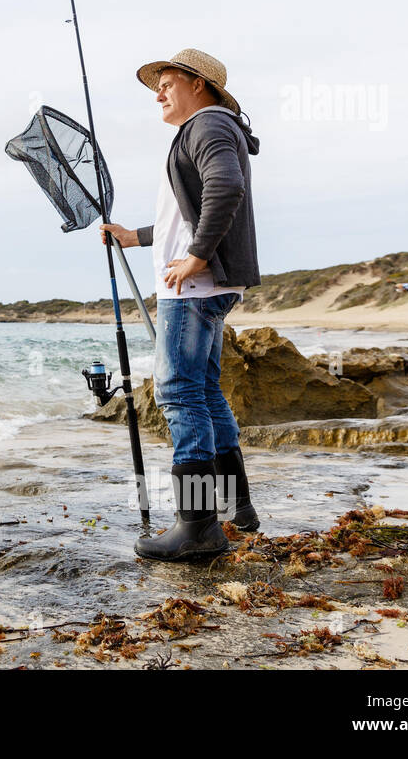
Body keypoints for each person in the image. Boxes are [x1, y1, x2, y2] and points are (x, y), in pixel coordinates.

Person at [102, 48, 261, 561]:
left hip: (193, 288)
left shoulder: (206, 125)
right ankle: (238, 506)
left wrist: (195, 256)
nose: (158, 92)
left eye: (166, 81)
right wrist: (137, 236)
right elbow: (188, 215)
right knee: (205, 391)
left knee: (178, 394)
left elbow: (225, 187)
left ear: (199, 83)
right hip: (209, 286)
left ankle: (196, 529)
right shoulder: (213, 127)